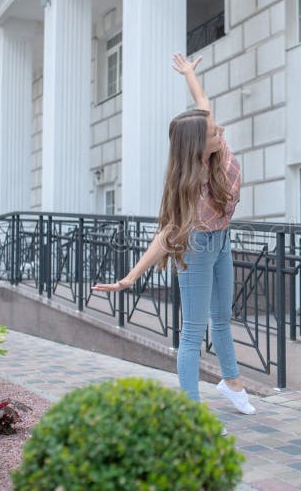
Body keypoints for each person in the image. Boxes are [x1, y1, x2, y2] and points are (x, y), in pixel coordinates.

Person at [92, 53, 255, 419]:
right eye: (214, 133)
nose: (221, 132)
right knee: (193, 333)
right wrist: (131, 277)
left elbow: (203, 102)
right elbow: (166, 235)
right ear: (198, 145)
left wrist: (189, 74)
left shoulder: (215, 149)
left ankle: (232, 383)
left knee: (222, 316)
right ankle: (191, 414)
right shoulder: (190, 187)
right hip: (197, 249)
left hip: (222, 241)